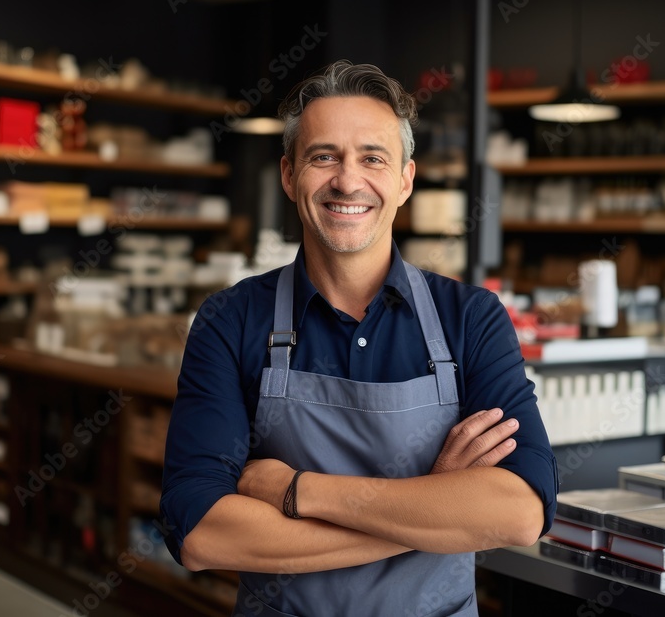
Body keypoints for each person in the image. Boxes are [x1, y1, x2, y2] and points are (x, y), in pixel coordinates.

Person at [160, 60, 558, 617]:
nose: (348, 181)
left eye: (373, 158)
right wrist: (435, 505)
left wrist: (297, 489)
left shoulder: (470, 319)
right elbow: (202, 534)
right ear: (287, 174)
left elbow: (518, 513)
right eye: (324, 156)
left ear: (405, 179)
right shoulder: (231, 320)